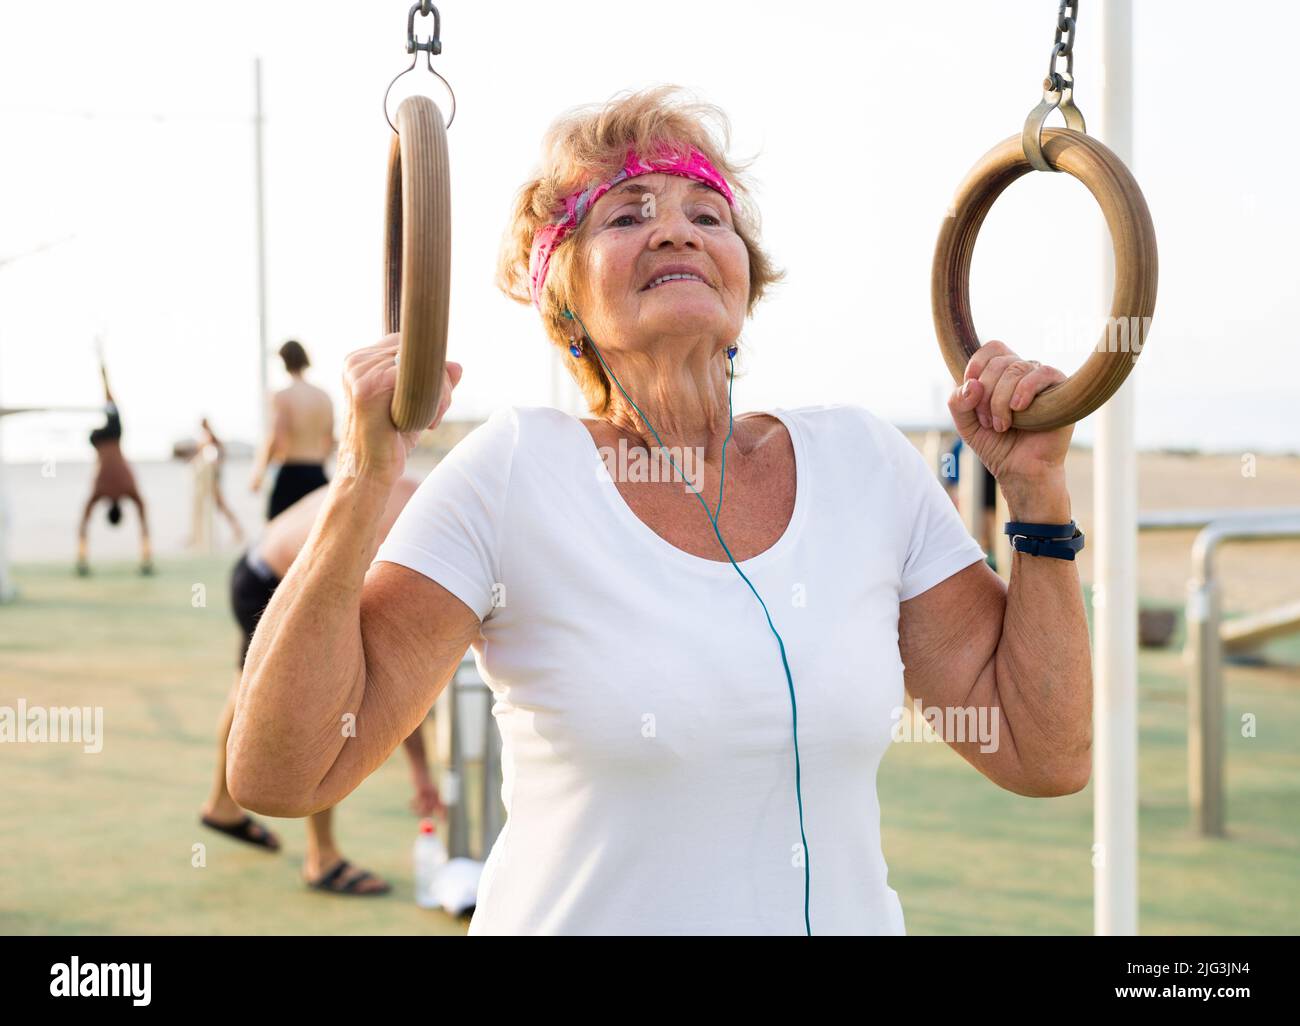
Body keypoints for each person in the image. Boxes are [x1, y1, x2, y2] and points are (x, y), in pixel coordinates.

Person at [227, 85, 1091, 935]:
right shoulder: (513, 471)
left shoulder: (864, 465)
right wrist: (364, 473)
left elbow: (1043, 752)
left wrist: (1037, 499)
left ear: (744, 281)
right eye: (627, 213)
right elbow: (284, 774)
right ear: (561, 295)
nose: (676, 228)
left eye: (708, 216)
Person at [201, 475, 445, 895]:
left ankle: (221, 806)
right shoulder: (406, 533)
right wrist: (422, 772)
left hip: (253, 569)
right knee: (326, 710)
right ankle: (322, 858)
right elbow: (389, 674)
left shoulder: (404, 484)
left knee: (245, 692)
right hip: (279, 586)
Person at [77, 356, 151, 576]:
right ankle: (103, 373)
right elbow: (144, 525)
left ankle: (104, 374)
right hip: (97, 440)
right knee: (111, 406)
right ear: (109, 509)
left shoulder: (115, 486)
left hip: (108, 440)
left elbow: (82, 524)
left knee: (112, 405)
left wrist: (82, 561)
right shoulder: (106, 489)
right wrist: (146, 561)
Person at [250, 339, 335, 521]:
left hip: (290, 474)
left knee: (275, 535)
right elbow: (330, 439)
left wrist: (259, 473)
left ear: (283, 362)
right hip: (318, 474)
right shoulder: (324, 397)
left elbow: (276, 437)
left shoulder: (282, 396)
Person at [943, 434, 999, 568]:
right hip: (969, 491)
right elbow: (950, 473)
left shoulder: (983, 443)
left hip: (986, 490)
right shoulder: (958, 446)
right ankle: (985, 555)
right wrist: (954, 490)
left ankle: (990, 554)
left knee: (990, 522)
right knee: (978, 523)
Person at [189, 417, 244, 546]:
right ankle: (198, 536)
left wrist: (215, 471)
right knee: (212, 506)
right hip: (205, 477)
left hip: (211, 478)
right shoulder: (206, 438)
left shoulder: (210, 438)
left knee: (220, 505)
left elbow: (214, 456)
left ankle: (237, 530)